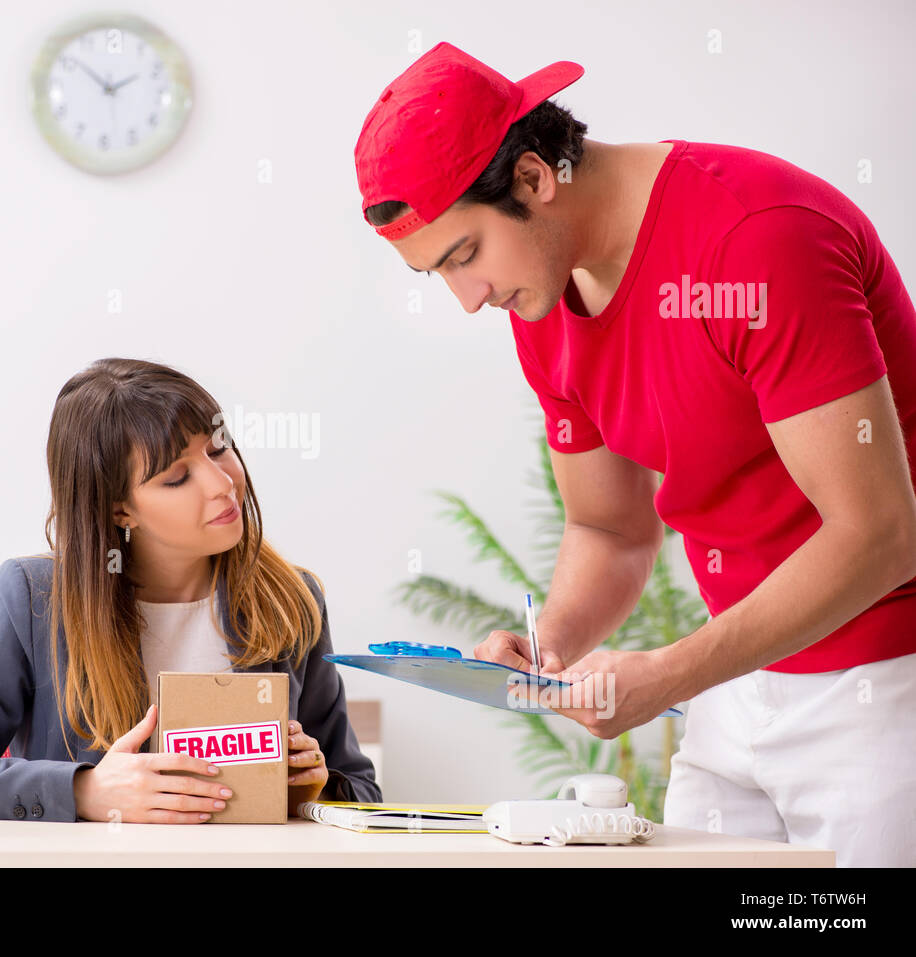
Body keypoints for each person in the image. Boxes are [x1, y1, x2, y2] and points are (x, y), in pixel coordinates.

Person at [353, 42, 916, 866]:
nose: (468, 299)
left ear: (536, 178)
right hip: (736, 677)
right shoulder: (543, 295)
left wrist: (673, 671)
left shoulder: (756, 240)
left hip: (882, 682)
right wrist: (551, 645)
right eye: (436, 273)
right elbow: (610, 530)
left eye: (464, 255)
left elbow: (878, 533)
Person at [0, 357, 381, 823]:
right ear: (120, 510)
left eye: (219, 448)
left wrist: (314, 789)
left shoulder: (290, 599)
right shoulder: (33, 600)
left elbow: (360, 791)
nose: (222, 482)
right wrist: (87, 791)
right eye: (177, 478)